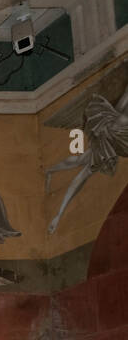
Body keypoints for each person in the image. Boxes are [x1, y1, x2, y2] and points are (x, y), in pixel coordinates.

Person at [45, 83, 128, 234]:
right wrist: (58, 216)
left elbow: (76, 183)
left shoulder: (101, 151)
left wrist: (58, 215)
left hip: (111, 129)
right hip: (112, 131)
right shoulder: (101, 153)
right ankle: (49, 171)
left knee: (79, 160)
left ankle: (49, 171)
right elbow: (76, 182)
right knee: (79, 161)